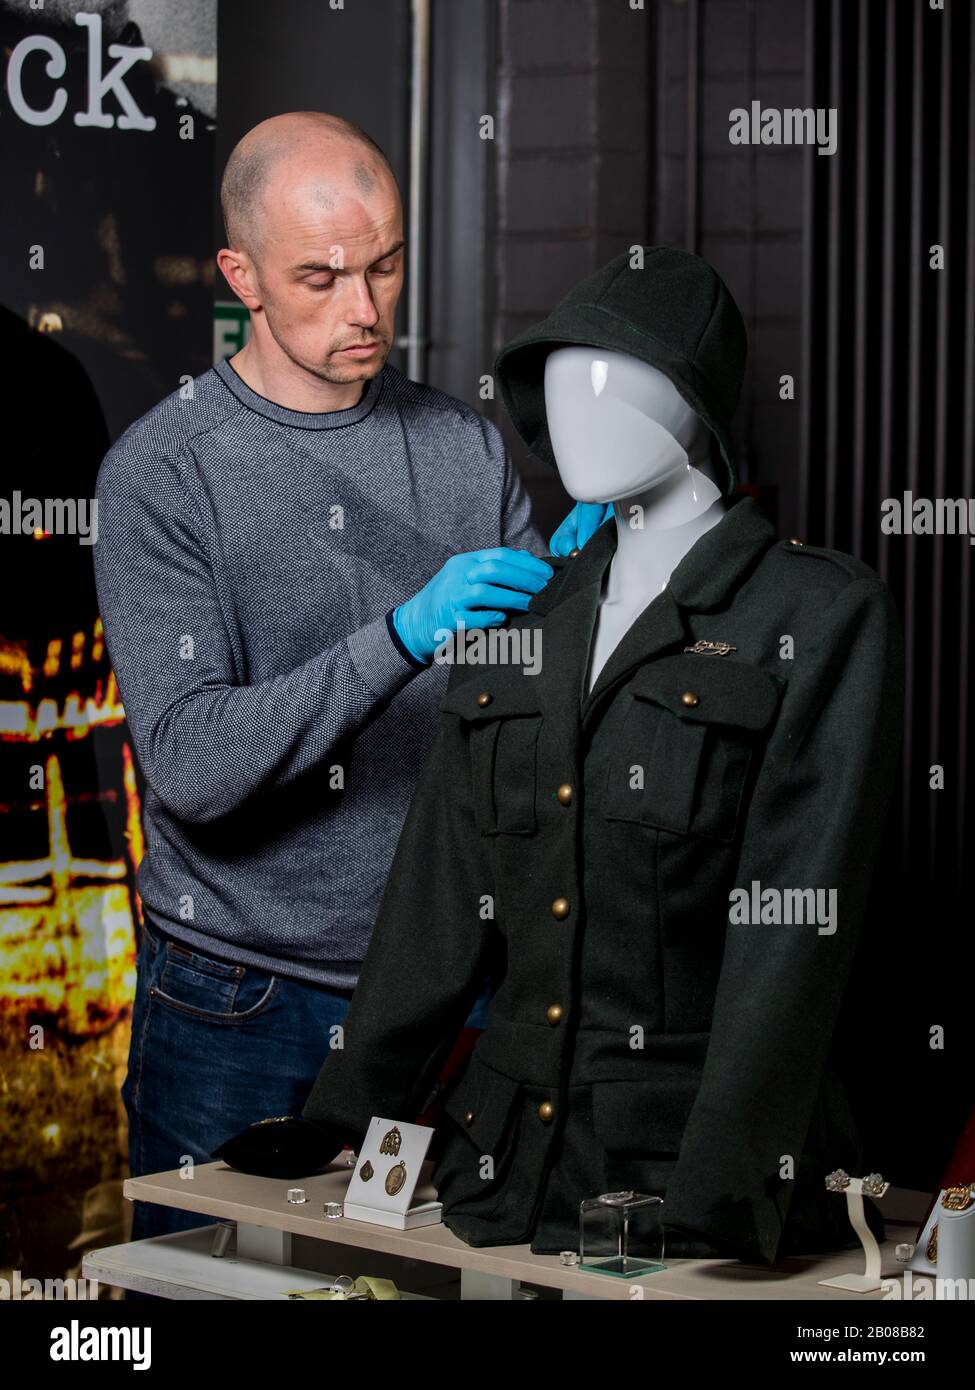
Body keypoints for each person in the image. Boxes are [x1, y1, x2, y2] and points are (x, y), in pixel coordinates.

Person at [92, 111, 605, 1249]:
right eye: (319, 278)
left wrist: (585, 606)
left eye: (383, 265)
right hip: (245, 1003)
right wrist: (402, 636)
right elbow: (192, 766)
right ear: (242, 278)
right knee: (211, 1300)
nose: (365, 309)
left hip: (448, 996)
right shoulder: (164, 475)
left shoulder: (464, 447)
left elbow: (524, 722)